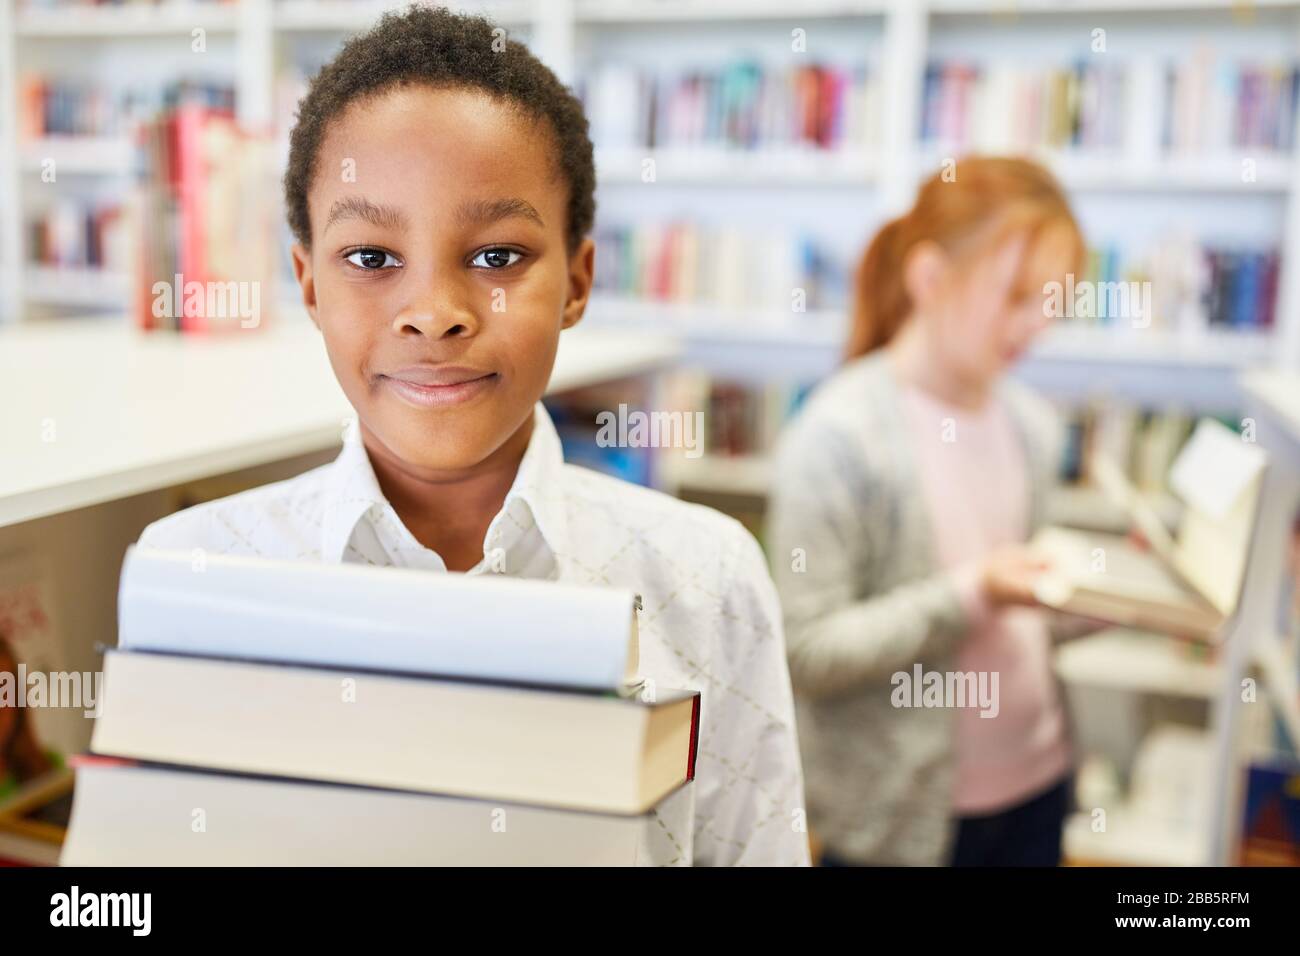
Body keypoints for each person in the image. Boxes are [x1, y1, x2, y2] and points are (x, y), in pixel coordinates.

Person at [136, 7, 808, 866]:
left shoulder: (706, 579)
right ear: (308, 285)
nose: (434, 315)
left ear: (577, 281)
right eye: (372, 258)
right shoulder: (197, 572)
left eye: (496, 256)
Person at [768, 157, 1087, 866]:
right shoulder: (839, 438)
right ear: (931, 279)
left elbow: (1022, 614)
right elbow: (807, 652)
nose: (1037, 324)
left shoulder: (1032, 425)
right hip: (907, 821)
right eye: (1016, 295)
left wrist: (1097, 597)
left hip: (1037, 784)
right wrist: (972, 592)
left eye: (1053, 300)